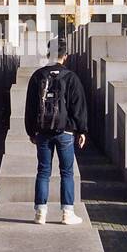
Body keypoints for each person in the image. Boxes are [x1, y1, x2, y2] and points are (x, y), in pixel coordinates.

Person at [23, 38, 88, 225]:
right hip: (65, 131)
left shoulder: (37, 76)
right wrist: (82, 129)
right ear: (65, 56)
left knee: (43, 171)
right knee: (66, 172)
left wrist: (30, 131)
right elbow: (78, 106)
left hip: (43, 131)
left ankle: (40, 213)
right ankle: (67, 213)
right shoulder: (71, 77)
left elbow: (30, 107)